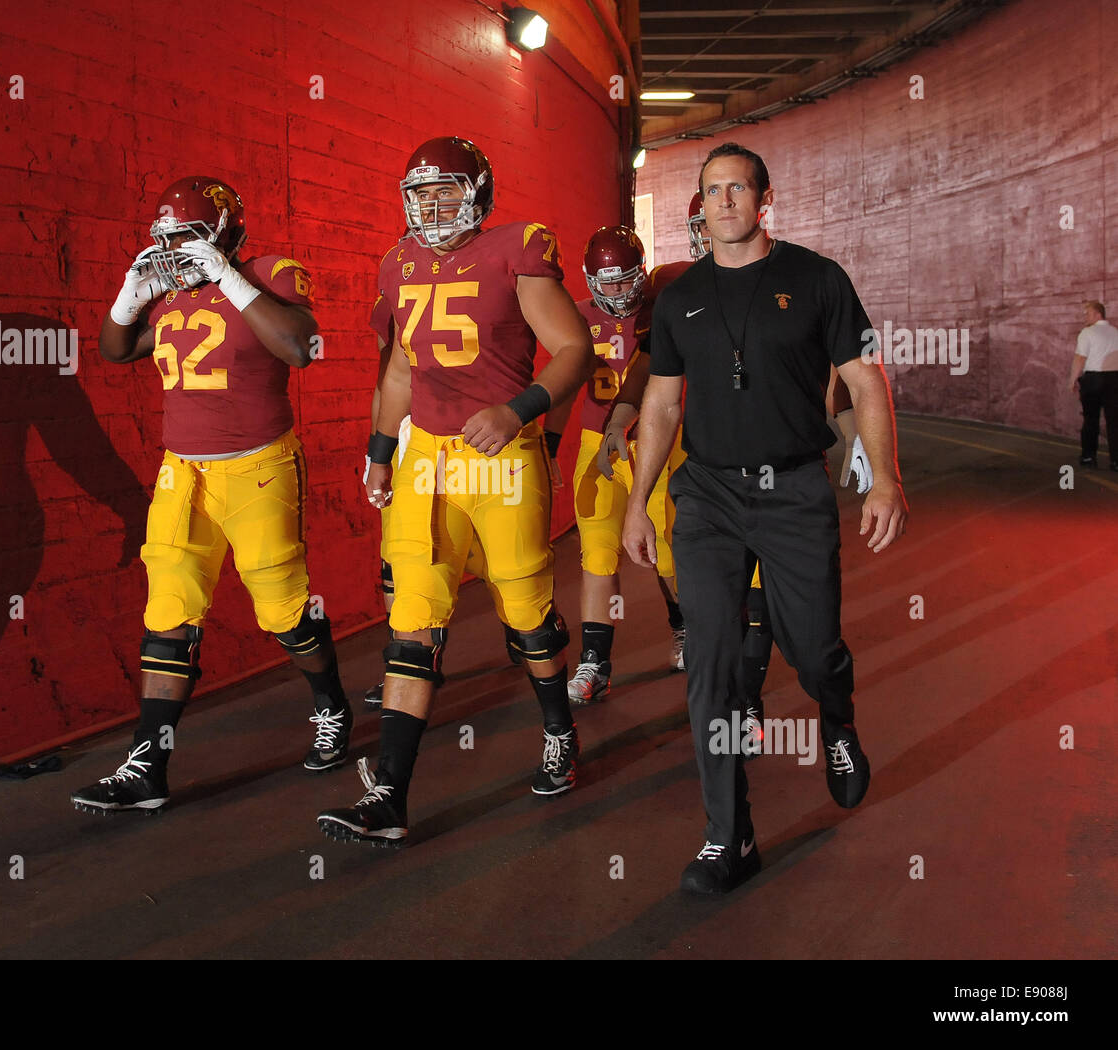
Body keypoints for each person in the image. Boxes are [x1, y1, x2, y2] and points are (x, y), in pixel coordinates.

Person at [623, 143, 908, 894]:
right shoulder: (678, 297)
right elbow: (658, 404)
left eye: (737, 189)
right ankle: (730, 836)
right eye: (711, 191)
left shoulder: (817, 279)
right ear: (701, 204)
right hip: (708, 498)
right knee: (711, 667)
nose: (724, 202)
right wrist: (637, 501)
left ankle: (837, 716)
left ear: (764, 197)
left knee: (813, 650)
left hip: (793, 492)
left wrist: (884, 479)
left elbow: (865, 381)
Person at [317, 136, 595, 846]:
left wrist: (518, 410)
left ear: (479, 193)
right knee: (412, 619)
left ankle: (560, 734)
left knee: (528, 614)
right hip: (426, 463)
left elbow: (573, 349)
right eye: (421, 193)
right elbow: (403, 373)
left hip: (500, 458)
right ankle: (389, 797)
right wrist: (381, 454)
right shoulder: (398, 263)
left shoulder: (517, 248)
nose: (432, 206)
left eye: (447, 191)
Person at [72, 176, 353, 813]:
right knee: (168, 609)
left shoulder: (268, 273)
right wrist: (127, 299)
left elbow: (303, 348)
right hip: (182, 471)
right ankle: (148, 765)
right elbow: (116, 352)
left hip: (258, 466)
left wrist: (228, 276)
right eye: (166, 240)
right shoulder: (172, 294)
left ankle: (331, 704)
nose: (174, 251)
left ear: (222, 236)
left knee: (282, 610)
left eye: (186, 238)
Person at [546, 228, 690, 704]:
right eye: (602, 282)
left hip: (659, 442)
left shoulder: (662, 308)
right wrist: (549, 445)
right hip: (598, 445)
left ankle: (684, 626)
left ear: (641, 275)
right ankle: (595, 660)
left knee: (668, 549)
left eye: (622, 280)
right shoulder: (577, 318)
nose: (612, 291)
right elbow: (564, 388)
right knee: (599, 552)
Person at [1066, 300, 1118, 469]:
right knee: (1114, 421)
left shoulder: (1087, 333)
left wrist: (1072, 379)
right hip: (1115, 380)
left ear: (1098, 314)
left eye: (1087, 313)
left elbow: (1080, 358)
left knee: (1090, 419)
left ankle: (1089, 457)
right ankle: (1116, 461)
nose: (1084, 316)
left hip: (1093, 380)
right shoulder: (1116, 332)